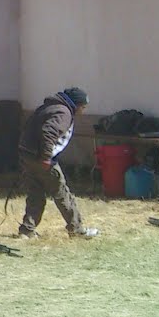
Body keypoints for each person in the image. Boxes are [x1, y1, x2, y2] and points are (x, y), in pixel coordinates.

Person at [18, 87, 98, 239]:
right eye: (83, 107)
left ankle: (27, 230)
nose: (83, 111)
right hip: (41, 158)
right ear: (76, 105)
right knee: (62, 193)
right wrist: (46, 157)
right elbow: (48, 133)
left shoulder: (49, 107)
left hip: (27, 155)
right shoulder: (63, 112)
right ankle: (77, 229)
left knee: (36, 193)